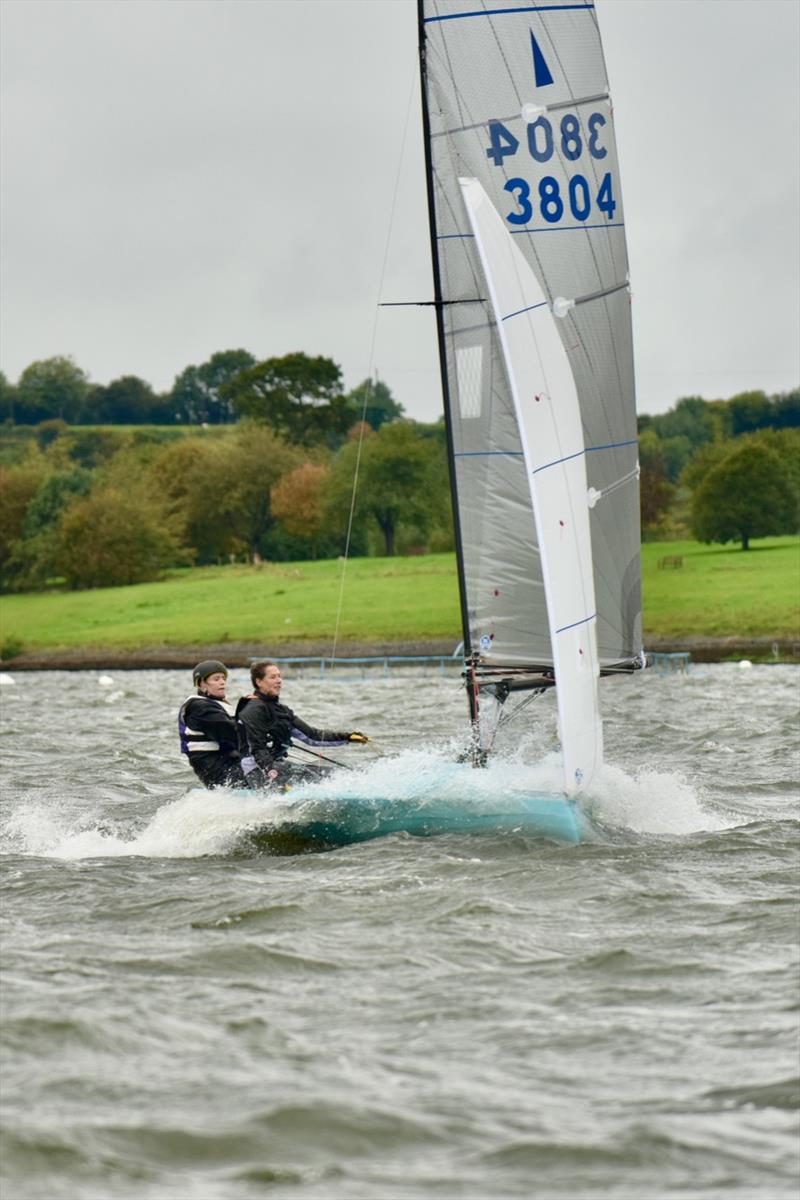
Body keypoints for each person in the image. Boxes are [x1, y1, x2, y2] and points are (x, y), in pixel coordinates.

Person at [237, 660, 368, 786]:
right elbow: (257, 748)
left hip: (279, 765)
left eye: (279, 676)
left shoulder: (282, 711)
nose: (279, 681)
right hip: (258, 770)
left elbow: (312, 736)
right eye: (272, 677)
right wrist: (271, 772)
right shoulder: (252, 710)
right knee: (313, 779)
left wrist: (347, 737)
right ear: (259, 681)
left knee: (335, 774)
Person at [178, 660, 262, 789]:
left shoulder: (215, 704)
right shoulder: (199, 708)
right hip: (220, 772)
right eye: (216, 679)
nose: (222, 682)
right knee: (279, 771)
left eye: (223, 678)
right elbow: (232, 733)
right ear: (201, 684)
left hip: (232, 762)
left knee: (286, 767)